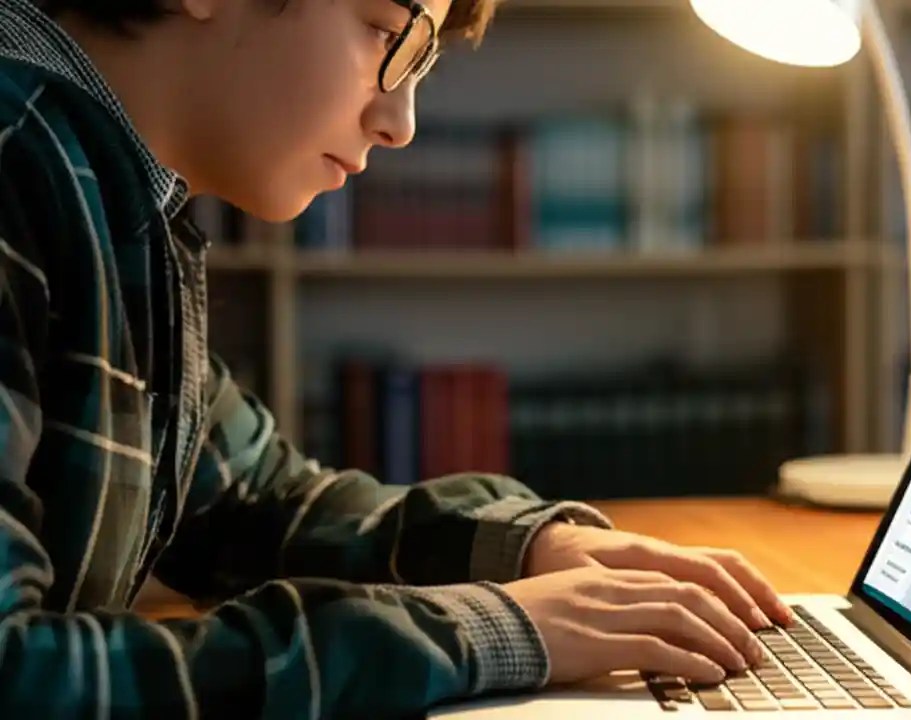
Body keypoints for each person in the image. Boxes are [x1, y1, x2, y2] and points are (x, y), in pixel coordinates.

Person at [0, 0, 793, 716]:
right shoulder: (14, 164)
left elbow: (248, 501)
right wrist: (483, 630)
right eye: (386, 34)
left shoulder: (109, 196)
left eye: (420, 63)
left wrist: (531, 547)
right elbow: (17, 674)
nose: (400, 122)